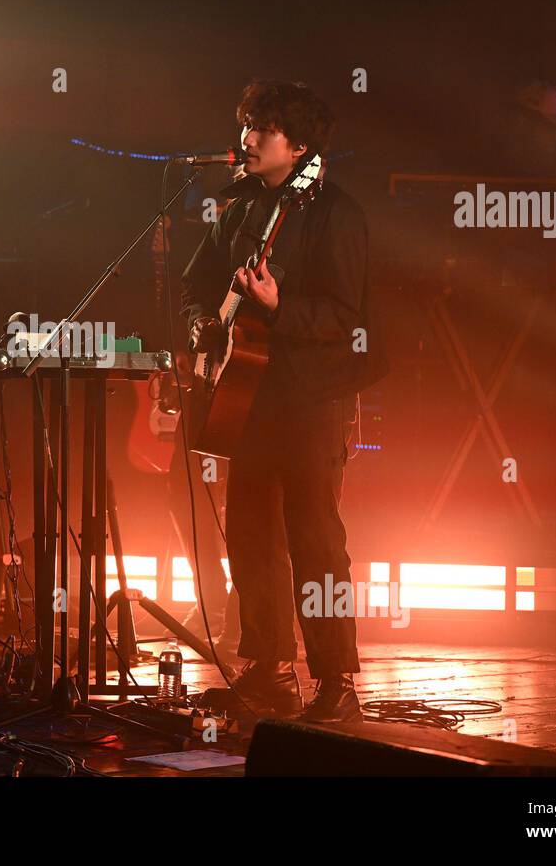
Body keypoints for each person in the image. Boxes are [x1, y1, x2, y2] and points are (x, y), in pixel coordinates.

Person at [180, 80, 387, 721]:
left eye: (262, 129)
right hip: (247, 394)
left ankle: (336, 681)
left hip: (311, 395)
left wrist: (280, 306)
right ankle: (265, 666)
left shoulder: (335, 214)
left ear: (297, 145)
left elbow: (348, 317)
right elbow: (195, 285)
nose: (247, 139)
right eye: (246, 125)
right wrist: (198, 328)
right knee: (250, 536)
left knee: (315, 541)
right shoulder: (238, 207)